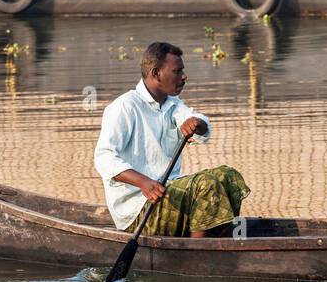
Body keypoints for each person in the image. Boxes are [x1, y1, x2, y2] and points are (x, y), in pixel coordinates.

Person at [94, 41, 249, 238]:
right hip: (139, 211)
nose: (184, 77)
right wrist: (144, 183)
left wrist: (195, 124)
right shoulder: (124, 107)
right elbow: (104, 158)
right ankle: (197, 254)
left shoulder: (173, 105)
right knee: (206, 184)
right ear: (156, 73)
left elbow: (199, 123)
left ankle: (217, 239)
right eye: (177, 71)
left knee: (228, 176)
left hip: (168, 197)